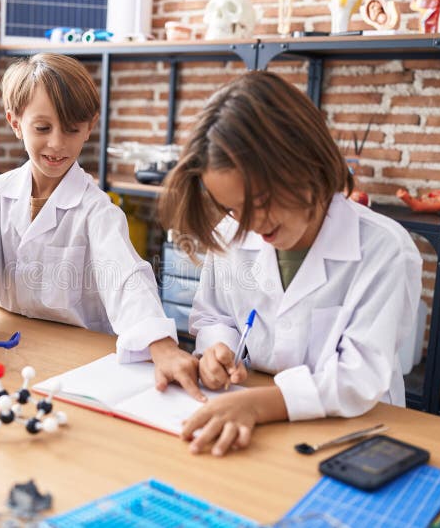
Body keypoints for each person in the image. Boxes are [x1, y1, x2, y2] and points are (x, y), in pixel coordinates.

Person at [157, 71, 423, 456]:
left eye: (261, 202)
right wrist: (219, 349)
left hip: (351, 433)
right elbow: (215, 317)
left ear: (304, 163)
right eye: (233, 208)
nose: (249, 223)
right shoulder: (233, 233)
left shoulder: (385, 249)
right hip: (257, 423)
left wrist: (256, 404)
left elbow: (359, 378)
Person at [0, 53, 204, 399]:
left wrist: (163, 347)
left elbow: (126, 278)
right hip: (11, 344)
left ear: (89, 127)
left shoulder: (96, 209)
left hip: (79, 356)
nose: (57, 143)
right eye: (42, 128)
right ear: (15, 122)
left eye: (72, 129)